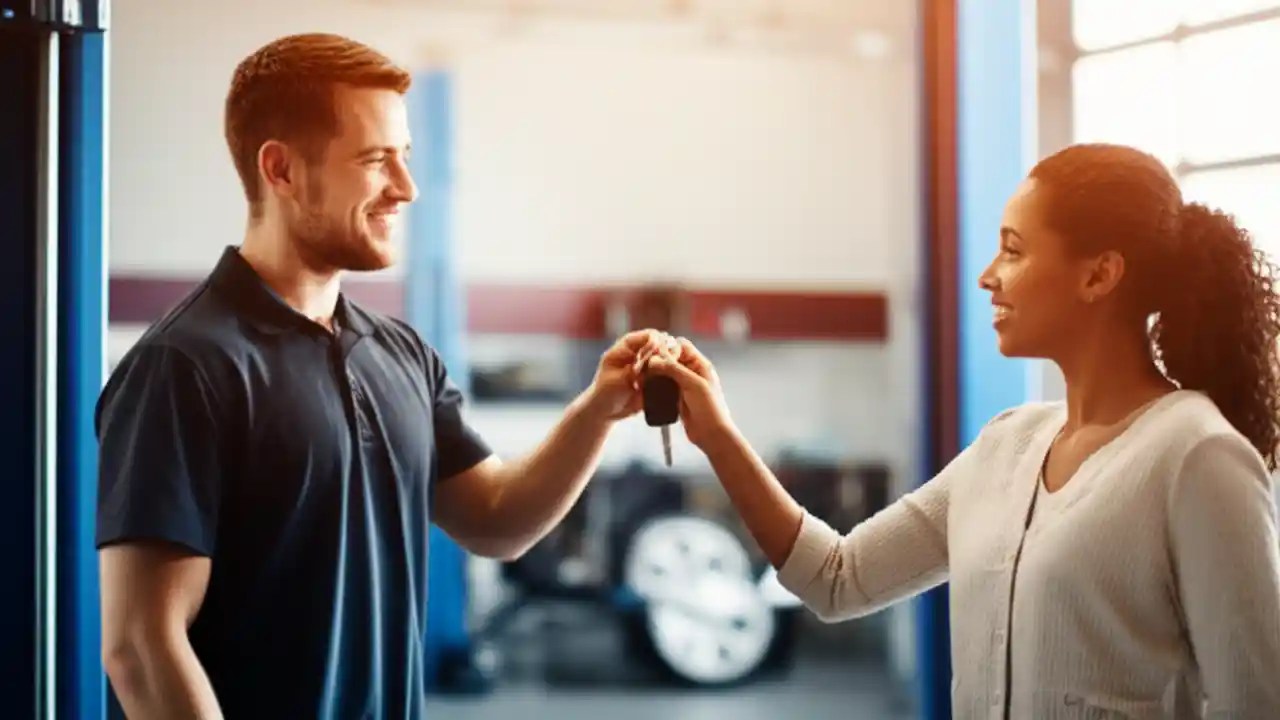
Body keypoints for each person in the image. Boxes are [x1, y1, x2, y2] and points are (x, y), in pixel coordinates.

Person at [95, 33, 665, 719]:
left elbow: (497, 521)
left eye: (406, 157)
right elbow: (140, 644)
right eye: (374, 160)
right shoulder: (186, 366)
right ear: (280, 169)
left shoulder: (400, 354)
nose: (406, 186)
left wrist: (598, 408)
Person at [645, 143, 1280, 718]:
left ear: (1098, 275)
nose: (987, 276)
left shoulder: (1198, 455)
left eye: (1014, 249)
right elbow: (836, 579)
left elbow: (1256, 704)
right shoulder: (1007, 445)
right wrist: (718, 435)